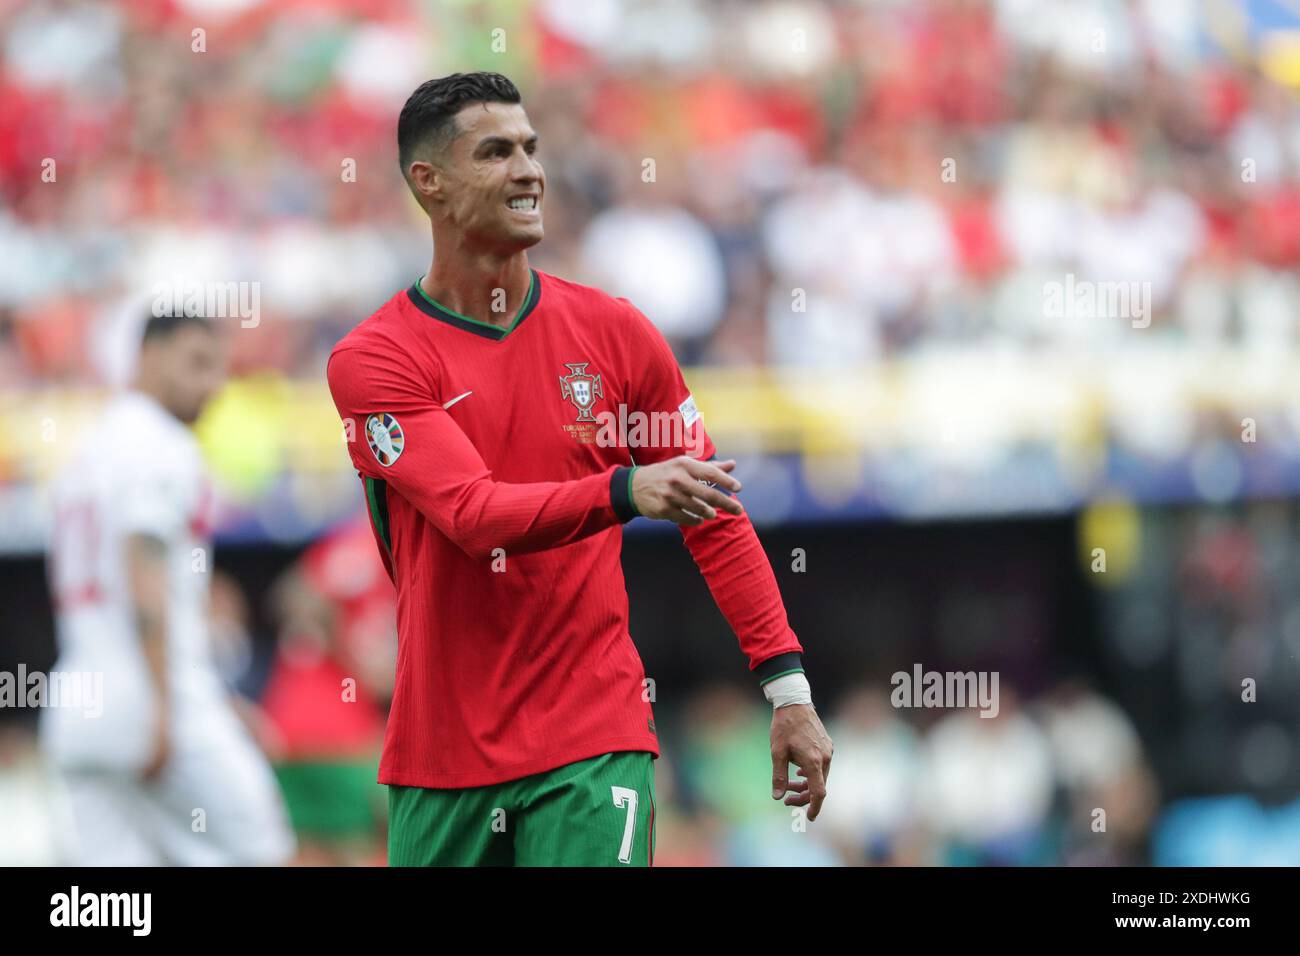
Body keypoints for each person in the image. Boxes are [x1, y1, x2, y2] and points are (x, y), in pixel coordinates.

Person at [326, 72, 832, 866]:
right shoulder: (376, 359)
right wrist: (625, 488)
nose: (529, 170)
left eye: (531, 148)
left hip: (593, 738)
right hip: (441, 757)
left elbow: (716, 516)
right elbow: (471, 515)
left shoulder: (618, 334)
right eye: (495, 153)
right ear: (429, 183)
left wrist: (788, 688)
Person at [41, 311, 295, 865]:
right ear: (148, 358)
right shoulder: (160, 444)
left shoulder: (90, 450)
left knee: (115, 903)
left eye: (220, 369)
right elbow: (143, 571)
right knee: (264, 850)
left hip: (78, 705)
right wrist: (162, 709)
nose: (214, 385)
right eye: (198, 364)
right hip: (156, 701)